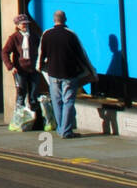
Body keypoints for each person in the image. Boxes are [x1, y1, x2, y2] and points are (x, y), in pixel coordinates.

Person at [37, 10, 96, 139]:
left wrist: (40, 67)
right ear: (65, 19)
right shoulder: (71, 35)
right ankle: (66, 131)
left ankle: (60, 129)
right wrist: (90, 71)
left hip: (53, 73)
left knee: (56, 101)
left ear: (54, 20)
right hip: (69, 73)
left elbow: (42, 53)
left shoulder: (47, 34)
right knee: (68, 101)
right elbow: (81, 54)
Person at [1, 14, 42, 121]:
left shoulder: (33, 36)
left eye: (26, 24)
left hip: (33, 69)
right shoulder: (14, 38)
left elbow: (40, 50)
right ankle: (19, 119)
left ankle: (35, 120)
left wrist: (40, 64)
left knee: (34, 94)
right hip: (20, 70)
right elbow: (5, 52)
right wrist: (10, 66)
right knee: (21, 94)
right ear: (18, 25)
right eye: (23, 24)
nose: (25, 26)